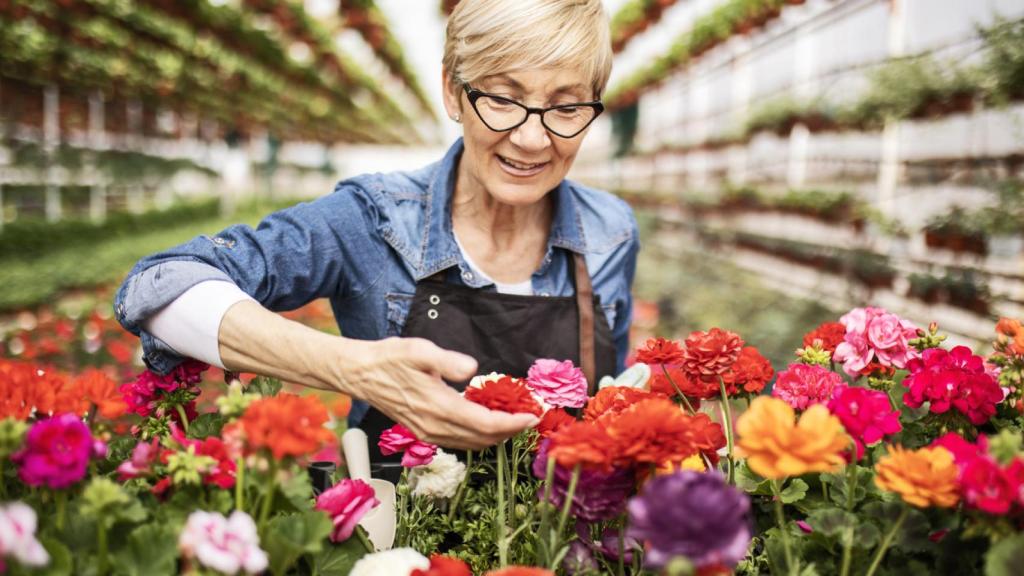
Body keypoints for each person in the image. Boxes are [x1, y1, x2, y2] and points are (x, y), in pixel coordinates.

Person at [113, 0, 638, 473]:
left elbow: (605, 405)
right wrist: (353, 368)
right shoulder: (372, 218)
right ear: (453, 92)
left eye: (567, 107)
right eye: (502, 99)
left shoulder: (611, 231)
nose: (531, 137)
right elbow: (158, 284)